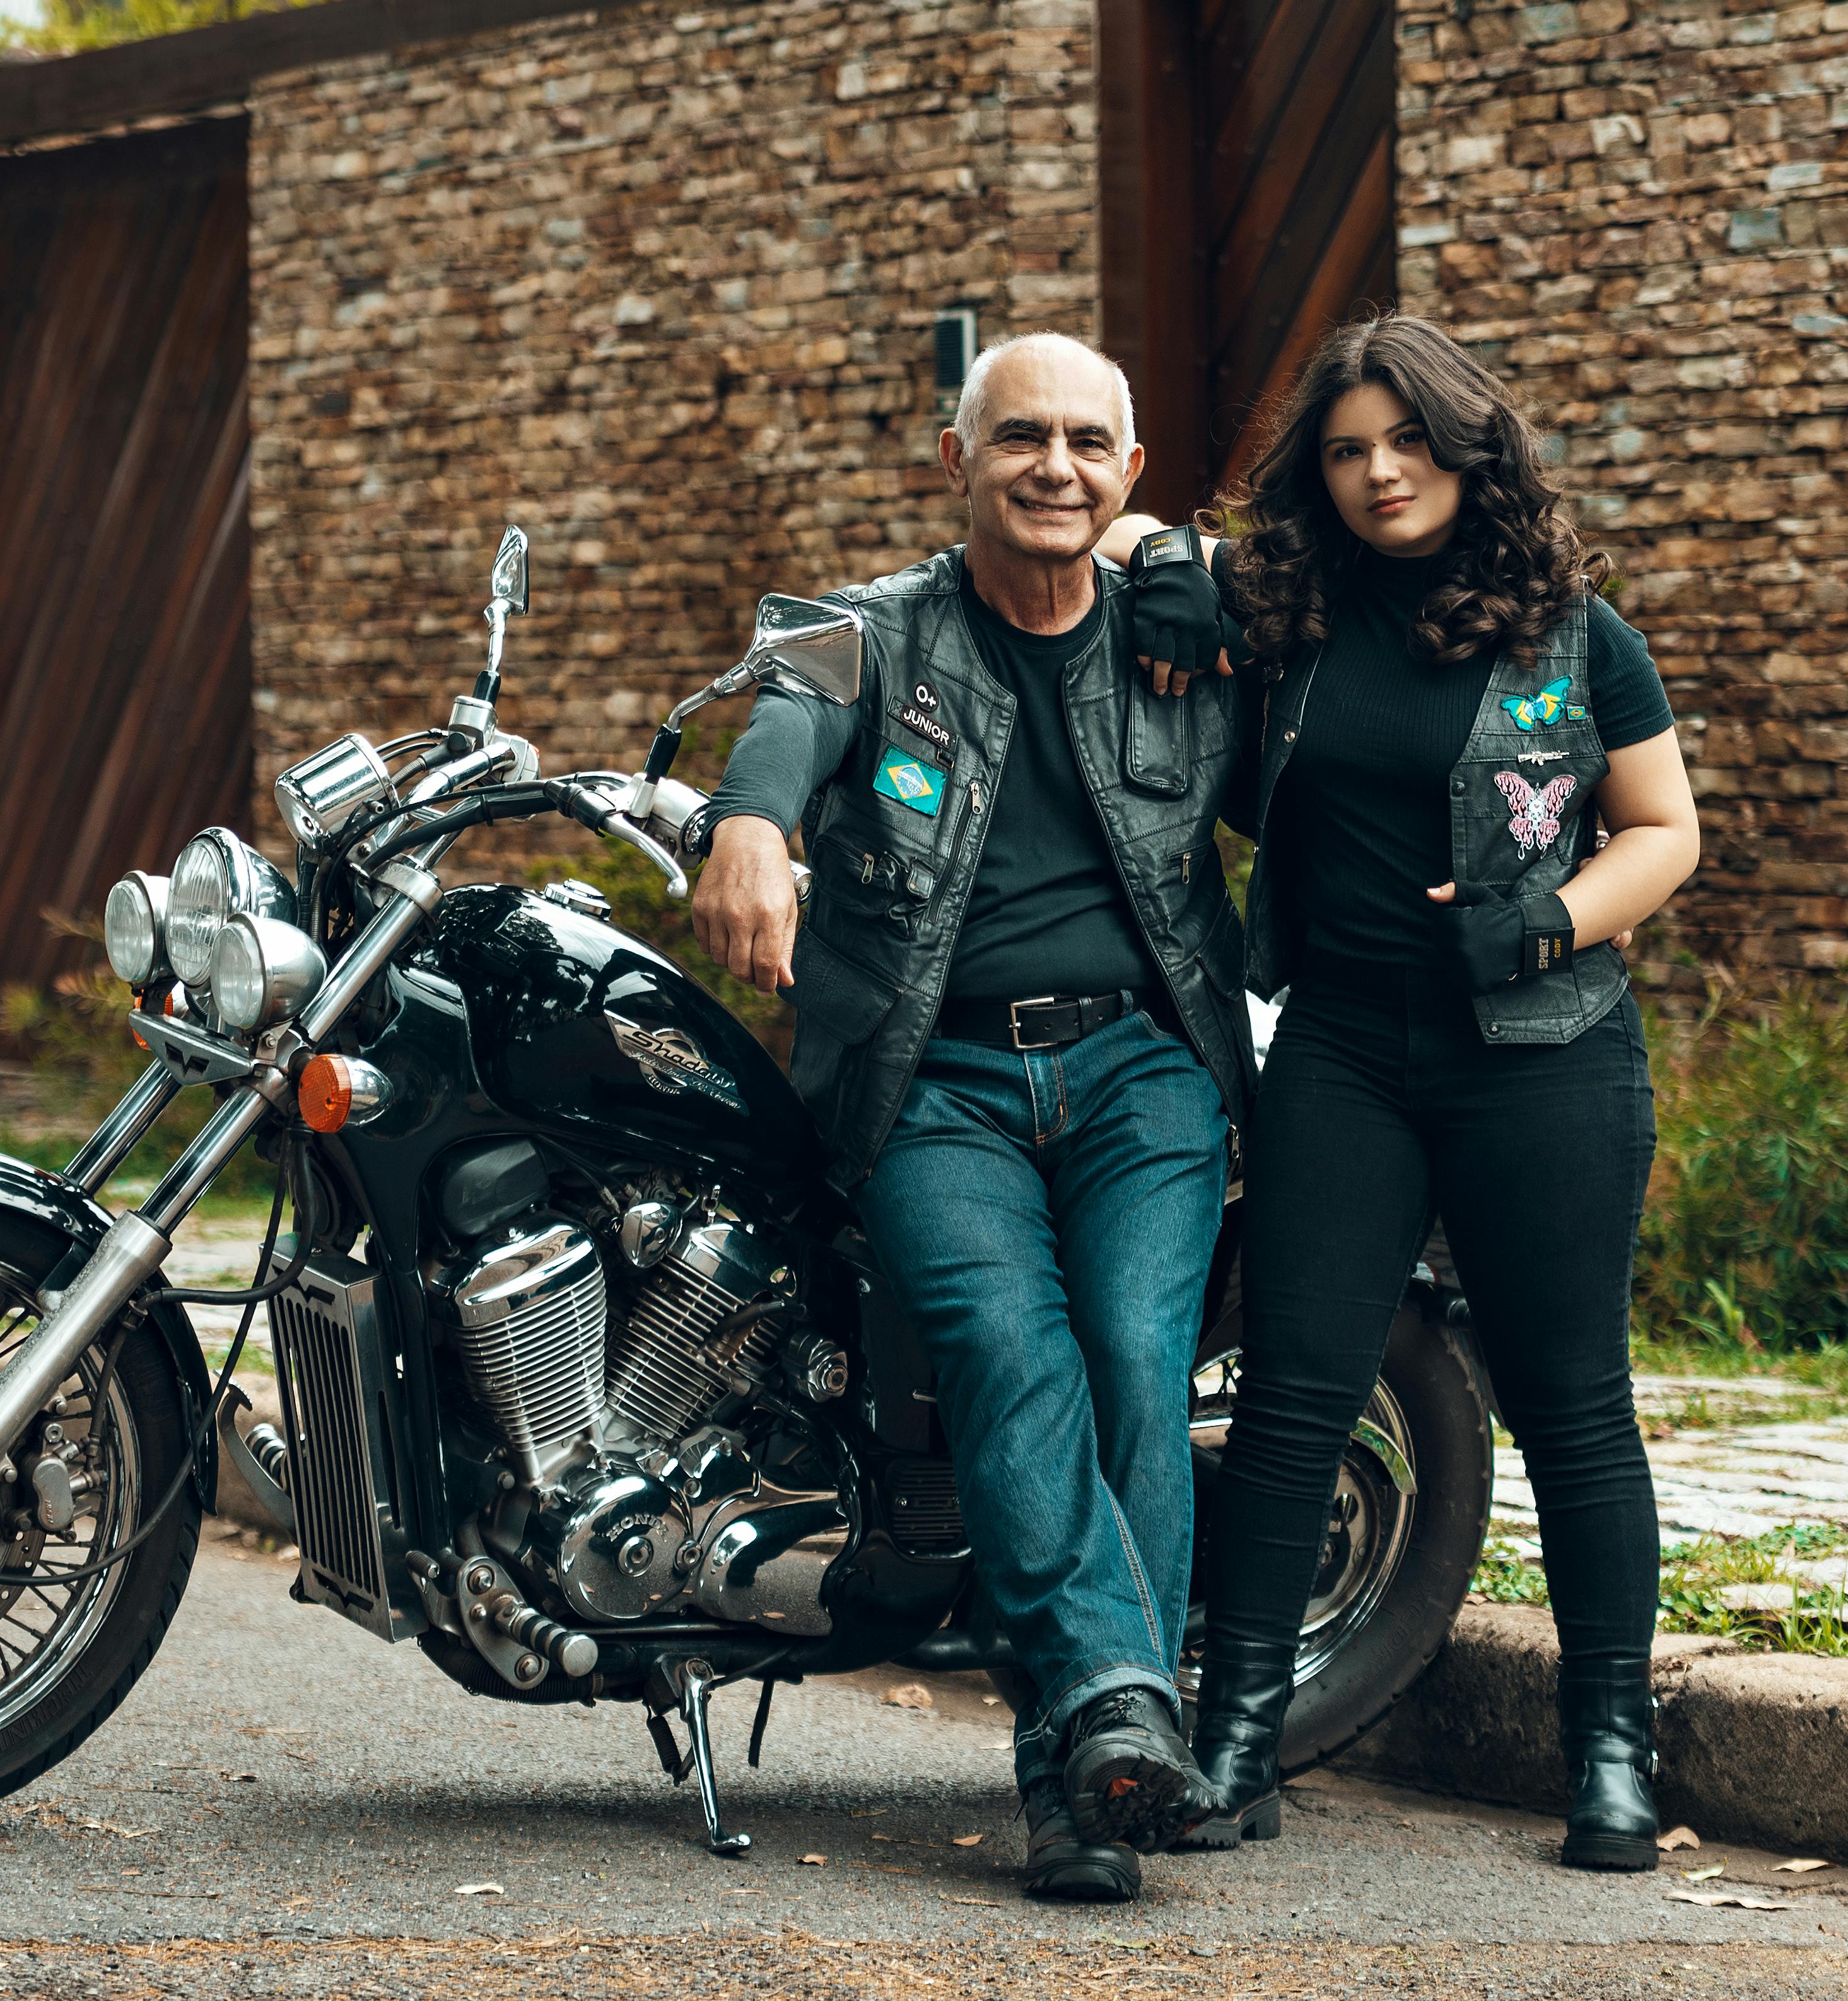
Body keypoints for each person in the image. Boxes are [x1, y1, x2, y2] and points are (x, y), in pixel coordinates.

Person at [691, 333, 1247, 1901]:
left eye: (1089, 445)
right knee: (1014, 1351)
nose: (1053, 470)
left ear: (1129, 472)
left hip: (1144, 1069)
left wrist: (1197, 563)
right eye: (1020, 439)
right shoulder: (871, 633)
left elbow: (1359, 661)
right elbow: (786, 710)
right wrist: (746, 821)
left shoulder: (1183, 630)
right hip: (933, 1081)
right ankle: (1110, 1744)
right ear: (956, 460)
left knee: (1134, 1360)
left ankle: (1080, 1770)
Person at [1176, 313, 1698, 1872]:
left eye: (1406, 441)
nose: (1378, 472)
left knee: (1570, 1408)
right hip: (1340, 1051)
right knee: (1289, 1398)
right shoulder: (1282, 625)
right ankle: (1236, 1740)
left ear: (1469, 449)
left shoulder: (1569, 630)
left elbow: (1660, 828)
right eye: (1345, 451)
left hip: (1540, 1055)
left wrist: (1541, 917)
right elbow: (1149, 541)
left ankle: (1609, 1759)